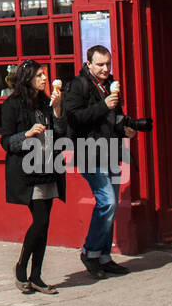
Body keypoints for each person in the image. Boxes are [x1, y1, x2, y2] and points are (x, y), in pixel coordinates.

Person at [63, 45, 151, 279]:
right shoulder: (78, 86)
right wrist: (104, 106)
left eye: (108, 64)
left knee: (108, 206)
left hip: (111, 150)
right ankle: (89, 251)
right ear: (88, 64)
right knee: (108, 202)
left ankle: (103, 256)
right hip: (89, 152)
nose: (105, 69)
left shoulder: (110, 85)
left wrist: (126, 128)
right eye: (100, 65)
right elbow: (73, 117)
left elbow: (115, 117)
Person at [0, 60, 67, 295]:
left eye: (45, 75)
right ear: (27, 78)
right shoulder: (12, 105)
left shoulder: (45, 102)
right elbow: (6, 141)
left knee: (45, 224)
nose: (44, 79)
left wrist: (57, 110)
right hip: (28, 171)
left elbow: (59, 134)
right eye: (39, 75)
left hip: (48, 166)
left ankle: (36, 276)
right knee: (40, 221)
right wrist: (26, 134)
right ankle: (21, 267)